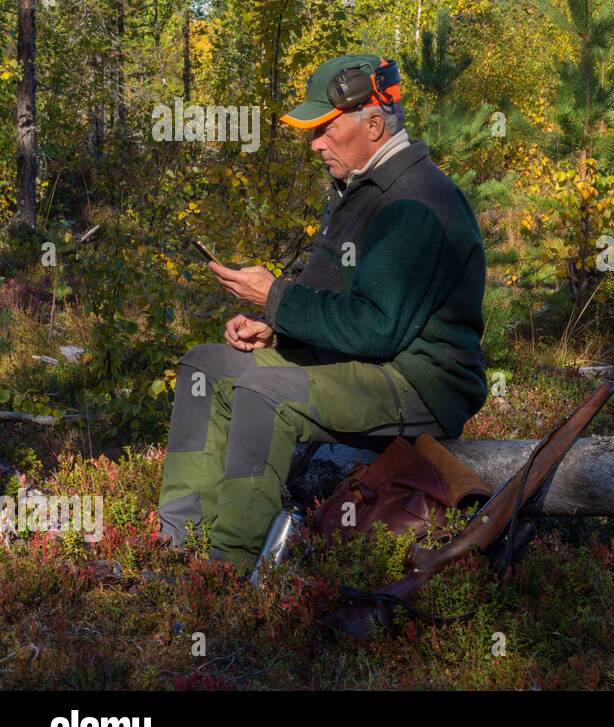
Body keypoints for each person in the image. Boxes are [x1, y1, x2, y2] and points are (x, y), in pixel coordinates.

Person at [156, 54, 488, 573]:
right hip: (362, 362)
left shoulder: (417, 201)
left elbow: (376, 329)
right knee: (207, 366)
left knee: (265, 393)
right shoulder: (357, 190)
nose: (315, 144)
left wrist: (275, 297)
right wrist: (275, 327)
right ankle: (179, 542)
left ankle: (230, 569)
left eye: (325, 129)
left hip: (419, 381)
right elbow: (333, 301)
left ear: (373, 125)